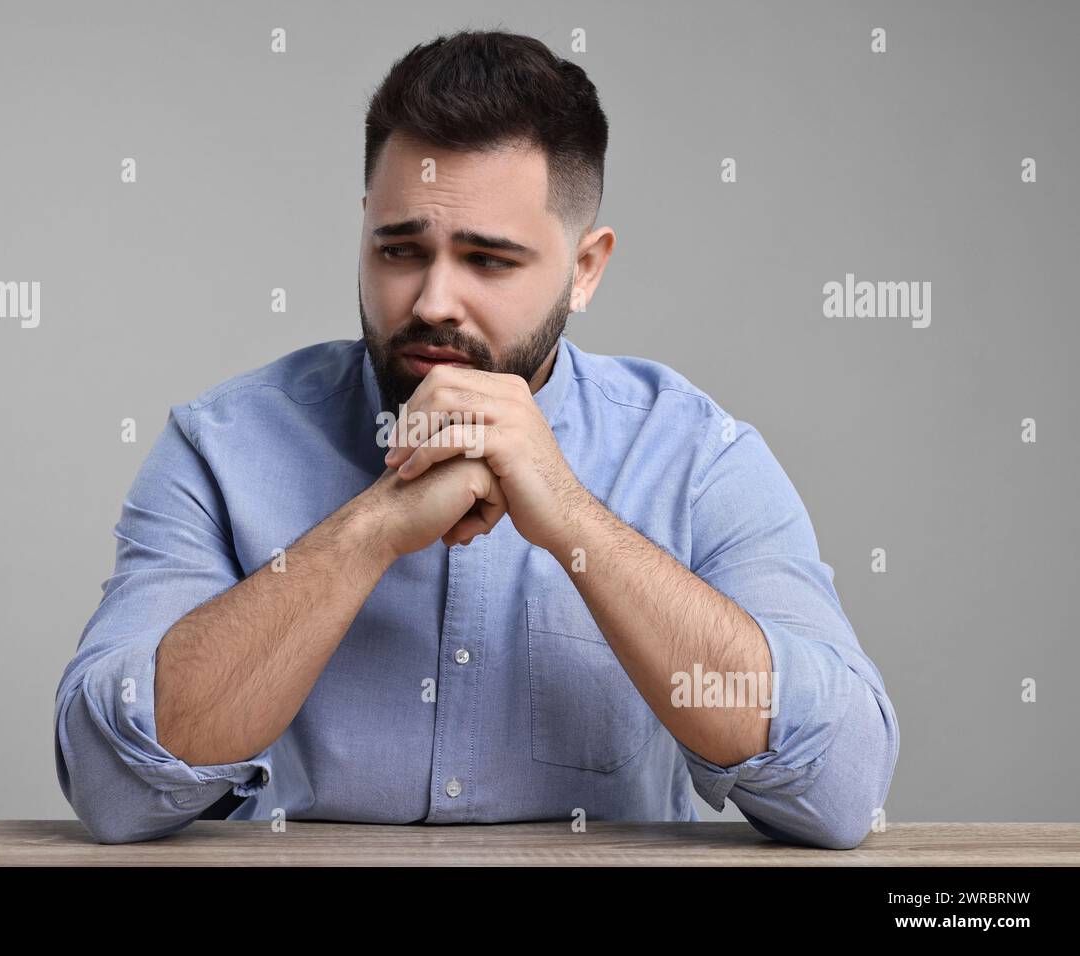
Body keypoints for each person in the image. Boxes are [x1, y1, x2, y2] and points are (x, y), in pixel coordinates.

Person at [54, 29, 899, 847]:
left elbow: (839, 789)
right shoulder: (221, 449)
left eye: (489, 260)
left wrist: (569, 517)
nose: (432, 302)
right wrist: (372, 529)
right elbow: (112, 785)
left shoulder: (697, 459)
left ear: (586, 268)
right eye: (400, 248)